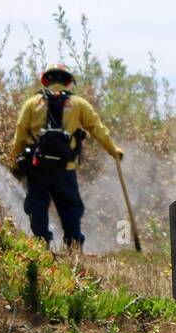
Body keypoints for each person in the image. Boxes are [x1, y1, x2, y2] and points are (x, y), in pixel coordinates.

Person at [9, 63, 123, 251]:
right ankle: (73, 247)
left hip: (38, 169)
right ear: (68, 82)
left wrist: (14, 163)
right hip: (65, 169)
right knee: (70, 209)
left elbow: (20, 136)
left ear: (46, 81)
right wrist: (114, 150)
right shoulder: (79, 104)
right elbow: (97, 129)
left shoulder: (31, 104)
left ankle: (40, 249)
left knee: (37, 208)